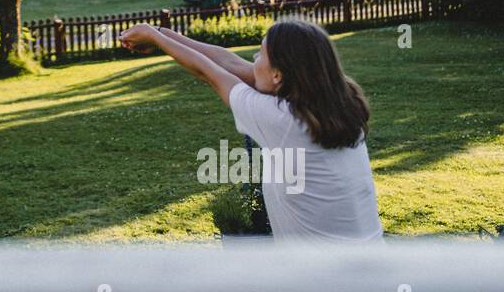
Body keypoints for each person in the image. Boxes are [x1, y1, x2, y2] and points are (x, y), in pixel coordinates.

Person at [119, 17, 383, 242]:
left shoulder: (282, 121)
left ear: (278, 75)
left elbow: (208, 72)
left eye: (259, 53)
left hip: (325, 282)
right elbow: (230, 64)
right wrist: (161, 35)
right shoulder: (337, 103)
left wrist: (156, 37)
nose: (253, 60)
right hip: (368, 268)